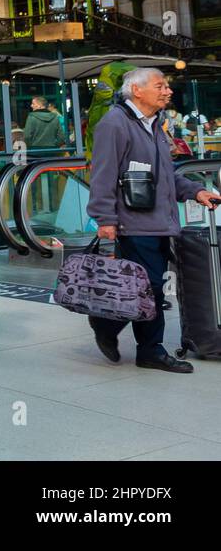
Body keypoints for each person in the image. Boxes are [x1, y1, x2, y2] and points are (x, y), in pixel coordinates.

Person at [86, 68, 221, 372]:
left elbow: (166, 176)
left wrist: (195, 191)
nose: (167, 91)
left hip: (161, 221)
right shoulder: (115, 124)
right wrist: (104, 218)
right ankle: (149, 350)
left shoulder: (154, 124)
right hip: (134, 223)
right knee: (150, 290)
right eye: (160, 86)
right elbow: (103, 174)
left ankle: (107, 323)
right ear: (137, 90)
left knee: (144, 288)